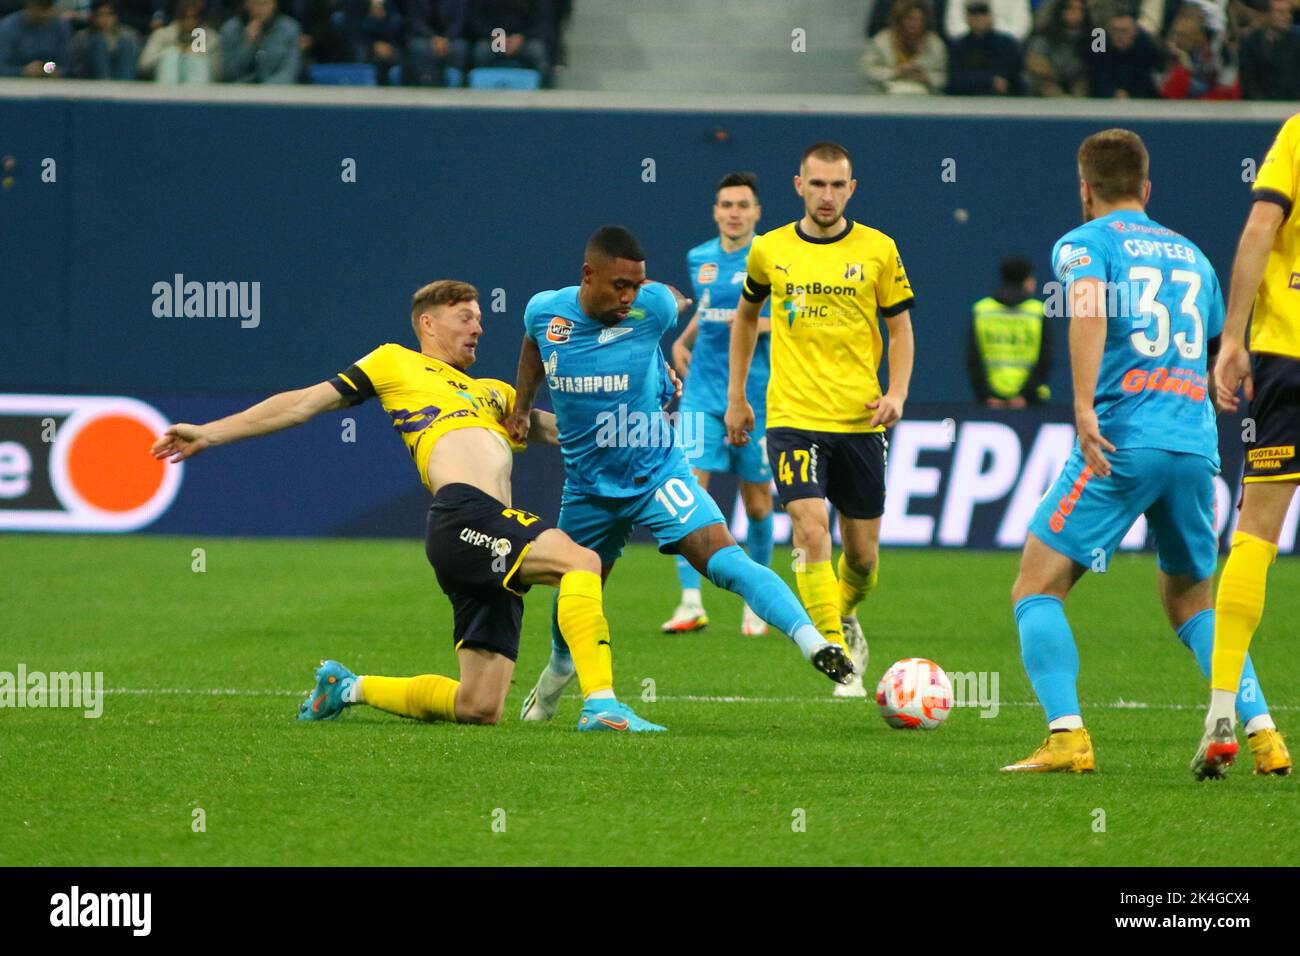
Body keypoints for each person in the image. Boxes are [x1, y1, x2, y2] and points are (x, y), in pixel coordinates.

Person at [150, 280, 664, 733]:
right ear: (427, 322)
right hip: (466, 516)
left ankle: (347, 689)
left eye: (481, 320)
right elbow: (302, 403)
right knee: (582, 561)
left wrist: (643, 409)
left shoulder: (495, 393)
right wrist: (209, 433)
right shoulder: (394, 361)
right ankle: (602, 706)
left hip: (490, 541)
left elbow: (571, 431)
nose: (478, 329)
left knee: (479, 706)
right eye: (465, 317)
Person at [1001, 128, 1288, 775]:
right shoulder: (1193, 257)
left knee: (1036, 585)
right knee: (1193, 601)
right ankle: (1265, 732)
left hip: (1122, 439)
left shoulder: (1083, 244)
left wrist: (1079, 407)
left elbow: (1088, 314)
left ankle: (1068, 735)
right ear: (1146, 187)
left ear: (1085, 188)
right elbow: (1219, 349)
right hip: (1194, 445)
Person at [508, 227, 857, 723]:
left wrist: (657, 358)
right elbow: (531, 348)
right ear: (588, 276)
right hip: (588, 488)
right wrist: (522, 407)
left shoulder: (654, 307)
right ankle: (556, 675)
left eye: (637, 285)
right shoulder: (545, 312)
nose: (629, 298)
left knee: (726, 561)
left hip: (657, 476)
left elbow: (667, 299)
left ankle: (812, 641)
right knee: (579, 591)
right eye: (619, 287)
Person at [726, 141, 917, 699]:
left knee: (862, 557)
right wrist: (738, 396)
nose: (827, 195)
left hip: (860, 419)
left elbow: (901, 330)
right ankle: (832, 649)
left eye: (837, 185)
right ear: (799, 186)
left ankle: (845, 611)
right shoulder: (769, 249)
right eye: (817, 185)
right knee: (809, 527)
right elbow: (744, 319)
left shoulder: (879, 250)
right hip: (793, 415)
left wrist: (898, 394)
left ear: (851, 189)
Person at [1194, 113, 1300, 778]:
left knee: (1255, 537)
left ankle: (1223, 710)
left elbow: (1263, 225)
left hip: (1287, 356)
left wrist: (1233, 336)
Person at [662, 172, 775, 637]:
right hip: (702, 396)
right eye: (726, 204)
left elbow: (786, 320)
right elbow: (708, 306)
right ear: (715, 211)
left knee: (759, 503)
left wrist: (743, 323)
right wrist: (683, 340)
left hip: (755, 396)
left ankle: (758, 600)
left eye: (742, 204)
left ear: (756, 212)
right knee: (687, 493)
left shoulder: (772, 257)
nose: (734, 212)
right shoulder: (699, 257)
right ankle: (690, 602)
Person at [966, 256, 1051, 408]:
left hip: (990, 402)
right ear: (1026, 281)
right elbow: (1045, 358)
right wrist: (1025, 396)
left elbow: (973, 360)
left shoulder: (982, 310)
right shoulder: (1038, 312)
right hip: (1030, 402)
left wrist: (986, 395)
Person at [861, 0, 948, 94]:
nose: (915, 24)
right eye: (910, 19)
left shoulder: (935, 44)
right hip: (885, 94)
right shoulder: (882, 41)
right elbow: (868, 70)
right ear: (900, 20)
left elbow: (944, 77)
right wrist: (895, 72)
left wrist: (925, 77)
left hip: (926, 96)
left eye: (919, 20)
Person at [947, 0, 1026, 95]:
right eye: (973, 14)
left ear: (990, 16)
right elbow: (955, 79)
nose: (978, 18)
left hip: (1003, 100)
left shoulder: (1006, 44)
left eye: (983, 13)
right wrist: (989, 80)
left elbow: (1012, 76)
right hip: (967, 99)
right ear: (967, 17)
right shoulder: (959, 46)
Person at [137, 0, 222, 83]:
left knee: (196, 58)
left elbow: (218, 72)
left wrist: (194, 53)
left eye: (194, 17)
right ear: (178, 18)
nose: (189, 21)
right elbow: (144, 65)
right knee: (172, 55)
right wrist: (171, 51)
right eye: (185, 17)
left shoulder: (212, 39)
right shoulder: (161, 35)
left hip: (201, 88)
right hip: (164, 83)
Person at [1086, 12, 1164, 98]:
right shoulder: (1099, 46)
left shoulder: (1145, 47)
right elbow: (1097, 77)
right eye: (1115, 30)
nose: (1119, 35)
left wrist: (1129, 95)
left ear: (1134, 33)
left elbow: (1147, 82)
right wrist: (1112, 93)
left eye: (1124, 31)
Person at [219, 0, 299, 83]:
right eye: (255, 3)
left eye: (265, 3)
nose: (260, 9)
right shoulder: (230, 30)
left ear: (274, 4)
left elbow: (289, 71)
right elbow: (227, 74)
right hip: (239, 91)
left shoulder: (289, 29)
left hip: (275, 90)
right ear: (246, 4)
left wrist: (264, 91)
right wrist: (247, 44)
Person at [1025, 0, 1090, 96]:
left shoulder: (1093, 36)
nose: (1075, 13)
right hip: (1047, 85)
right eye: (1070, 9)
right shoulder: (1045, 34)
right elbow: (1035, 62)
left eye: (1080, 10)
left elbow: (1097, 64)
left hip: (1079, 85)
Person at [1239, 0, 1300, 100]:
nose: (1287, 16)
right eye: (1280, 12)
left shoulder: (1298, 42)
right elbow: (1249, 83)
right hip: (1259, 107)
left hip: (1294, 106)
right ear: (1266, 15)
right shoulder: (1250, 44)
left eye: (1289, 12)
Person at [69, 0, 140, 78]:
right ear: (93, 16)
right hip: (91, 77)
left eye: (109, 14)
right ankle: (105, 85)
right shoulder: (82, 36)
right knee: (98, 42)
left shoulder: (128, 35)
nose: (105, 18)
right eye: (101, 14)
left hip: (121, 76)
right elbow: (76, 64)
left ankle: (123, 85)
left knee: (126, 44)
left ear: (115, 16)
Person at [0, 0, 70, 76]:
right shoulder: (8, 27)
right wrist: (22, 71)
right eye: (40, 7)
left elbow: (68, 66)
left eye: (48, 7)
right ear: (29, 6)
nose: (45, 14)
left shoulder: (61, 27)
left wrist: (56, 71)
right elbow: (2, 66)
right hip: (16, 82)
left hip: (54, 82)